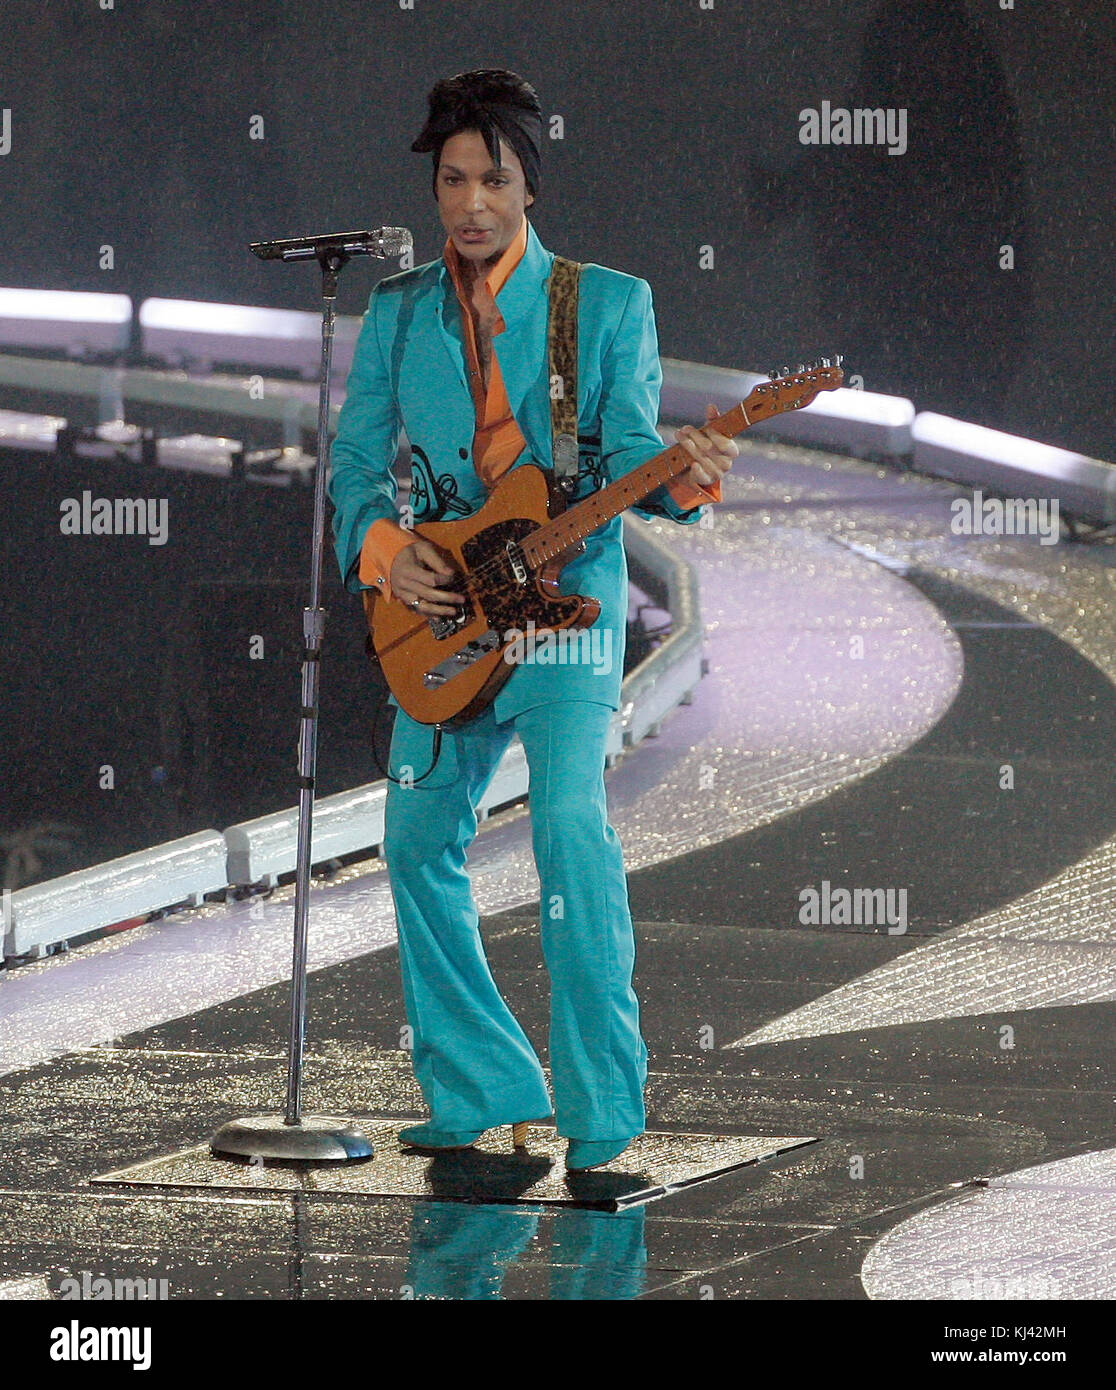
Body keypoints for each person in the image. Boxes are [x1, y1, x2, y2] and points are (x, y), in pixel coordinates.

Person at [328, 69, 737, 1172]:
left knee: (567, 829)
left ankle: (603, 1114)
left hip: (565, 609)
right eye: (452, 181)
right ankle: (481, 1085)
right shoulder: (398, 312)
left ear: (528, 188)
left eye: (491, 181)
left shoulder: (603, 305)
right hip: (453, 607)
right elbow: (358, 465)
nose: (469, 204)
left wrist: (687, 479)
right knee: (414, 840)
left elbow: (632, 464)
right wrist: (382, 549)